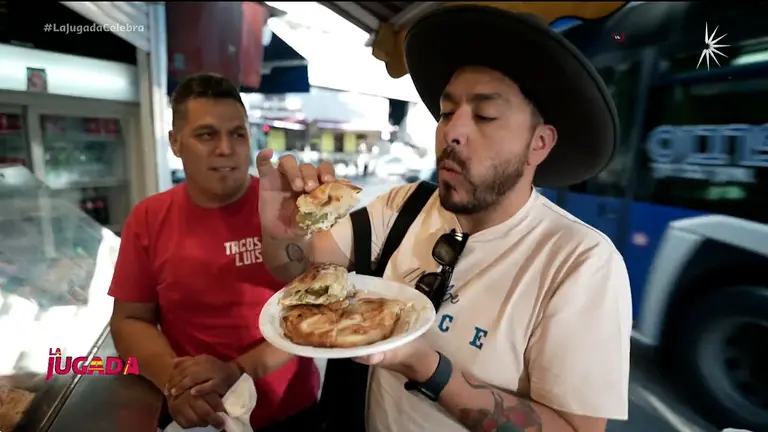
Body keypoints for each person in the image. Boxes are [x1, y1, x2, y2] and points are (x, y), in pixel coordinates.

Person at [257, 5, 630, 432]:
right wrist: (284, 232)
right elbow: (297, 268)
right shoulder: (402, 206)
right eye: (447, 111)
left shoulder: (578, 261)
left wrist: (426, 367)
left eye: (485, 115)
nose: (451, 131)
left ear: (539, 144)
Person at [108, 73, 320, 431]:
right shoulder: (148, 217)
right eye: (207, 135)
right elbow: (130, 319)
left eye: (237, 134)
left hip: (291, 408)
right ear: (175, 143)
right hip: (196, 414)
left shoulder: (287, 207)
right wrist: (175, 384)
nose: (226, 148)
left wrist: (237, 370)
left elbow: (318, 316)